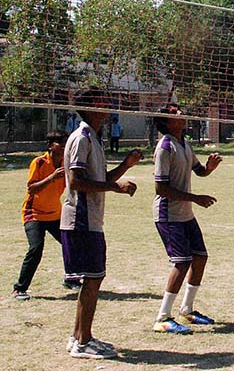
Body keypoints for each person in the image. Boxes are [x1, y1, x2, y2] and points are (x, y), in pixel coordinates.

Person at [62, 89, 143, 359]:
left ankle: (79, 338)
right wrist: (115, 187)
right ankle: (83, 342)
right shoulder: (82, 138)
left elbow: (100, 177)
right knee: (94, 278)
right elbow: (75, 182)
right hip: (80, 219)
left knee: (92, 279)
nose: (108, 105)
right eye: (102, 101)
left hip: (91, 219)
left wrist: (126, 165)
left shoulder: (94, 138)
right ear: (91, 107)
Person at [151, 104, 222, 335]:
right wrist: (195, 198)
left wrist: (209, 168)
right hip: (168, 214)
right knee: (181, 262)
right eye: (174, 112)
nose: (181, 113)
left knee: (200, 257)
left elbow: (199, 171)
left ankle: (187, 309)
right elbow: (161, 188)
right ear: (166, 121)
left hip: (185, 214)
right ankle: (162, 318)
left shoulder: (184, 143)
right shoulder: (165, 147)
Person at [12, 131, 81, 300]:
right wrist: (52, 177)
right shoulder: (39, 162)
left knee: (71, 245)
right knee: (36, 249)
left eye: (65, 142)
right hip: (33, 214)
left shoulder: (67, 164)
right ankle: (19, 289)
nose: (64, 145)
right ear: (50, 146)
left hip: (55, 214)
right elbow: (32, 188)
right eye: (60, 142)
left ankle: (70, 278)